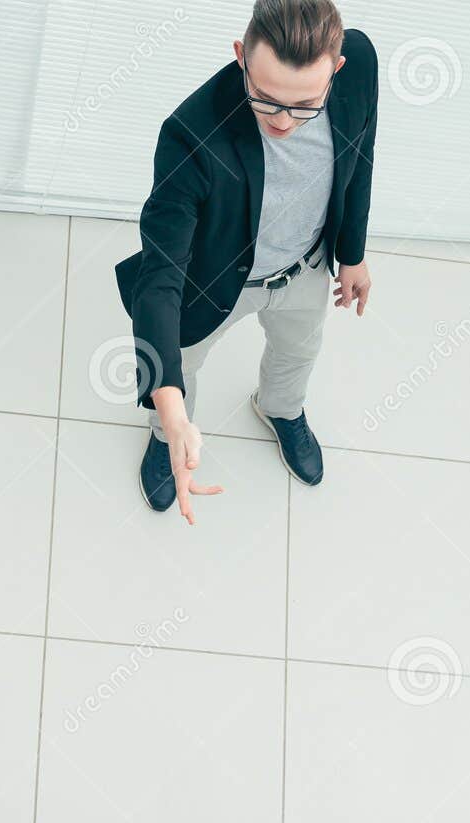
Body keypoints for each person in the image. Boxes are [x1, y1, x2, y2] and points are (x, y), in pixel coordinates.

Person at [115, 0, 378, 519]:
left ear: (336, 71)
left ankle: (279, 409)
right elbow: (160, 275)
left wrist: (353, 255)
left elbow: (361, 154)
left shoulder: (361, 63)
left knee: (299, 352)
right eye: (265, 99)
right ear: (241, 58)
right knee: (181, 366)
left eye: (304, 105)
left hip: (304, 265)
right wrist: (167, 407)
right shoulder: (189, 136)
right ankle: (167, 433)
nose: (283, 121)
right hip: (212, 281)